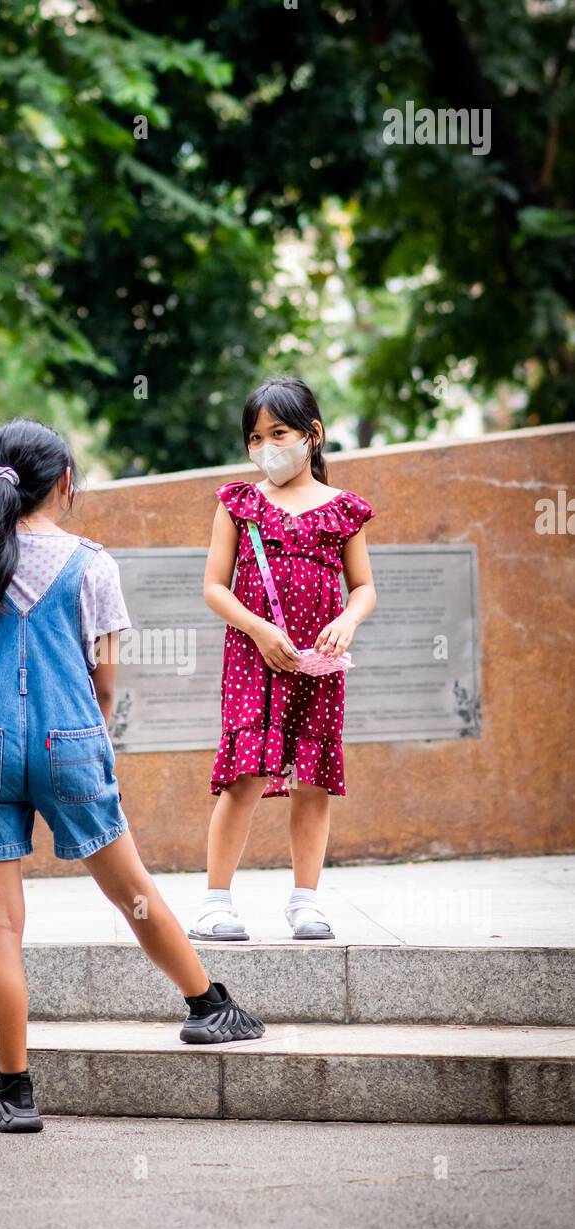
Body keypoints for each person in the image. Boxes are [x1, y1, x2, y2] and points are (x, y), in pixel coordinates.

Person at [0, 417, 264, 1134]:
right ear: (66, 483)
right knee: (133, 892)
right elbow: (105, 687)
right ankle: (209, 1006)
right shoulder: (94, 567)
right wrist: (84, 744)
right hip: (70, 742)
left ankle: (13, 1092)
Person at [192, 378, 377, 945]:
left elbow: (364, 587)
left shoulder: (343, 510)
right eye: (255, 436)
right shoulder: (240, 504)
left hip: (317, 666)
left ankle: (306, 901)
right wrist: (260, 628)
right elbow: (214, 588)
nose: (267, 446)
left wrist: (347, 621)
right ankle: (215, 903)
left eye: (280, 433)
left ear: (312, 435)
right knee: (244, 776)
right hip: (255, 660)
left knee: (312, 780)